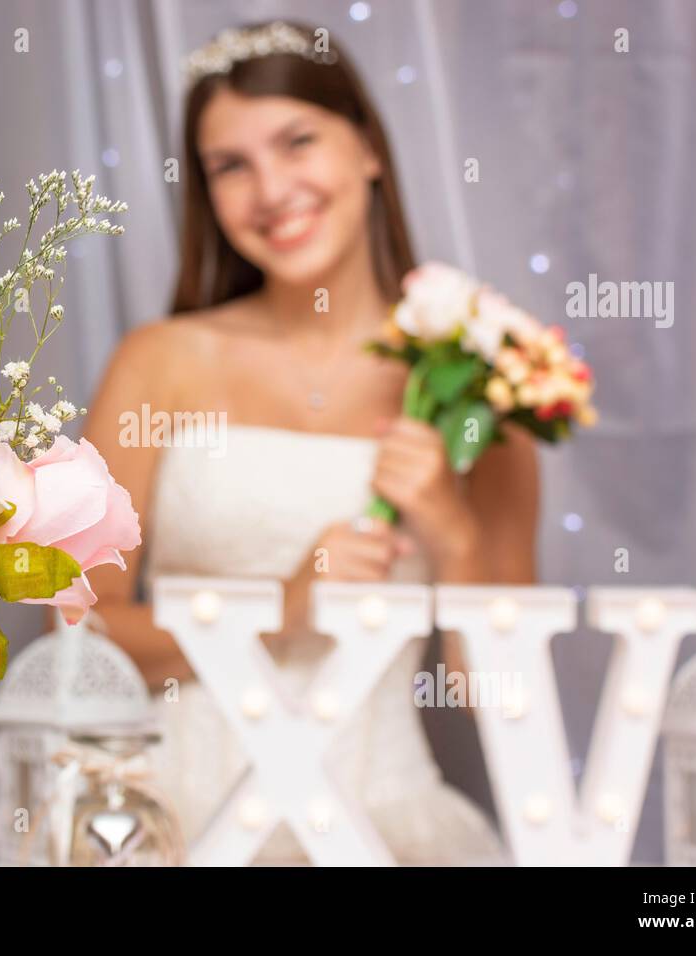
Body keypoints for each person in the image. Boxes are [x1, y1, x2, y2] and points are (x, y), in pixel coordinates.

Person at [81, 21, 538, 864]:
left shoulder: (481, 388)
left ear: (367, 147)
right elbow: (80, 636)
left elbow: (505, 698)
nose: (271, 189)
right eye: (231, 165)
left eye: (298, 143)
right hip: (175, 824)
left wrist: (454, 534)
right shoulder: (159, 362)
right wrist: (273, 608)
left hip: (390, 829)